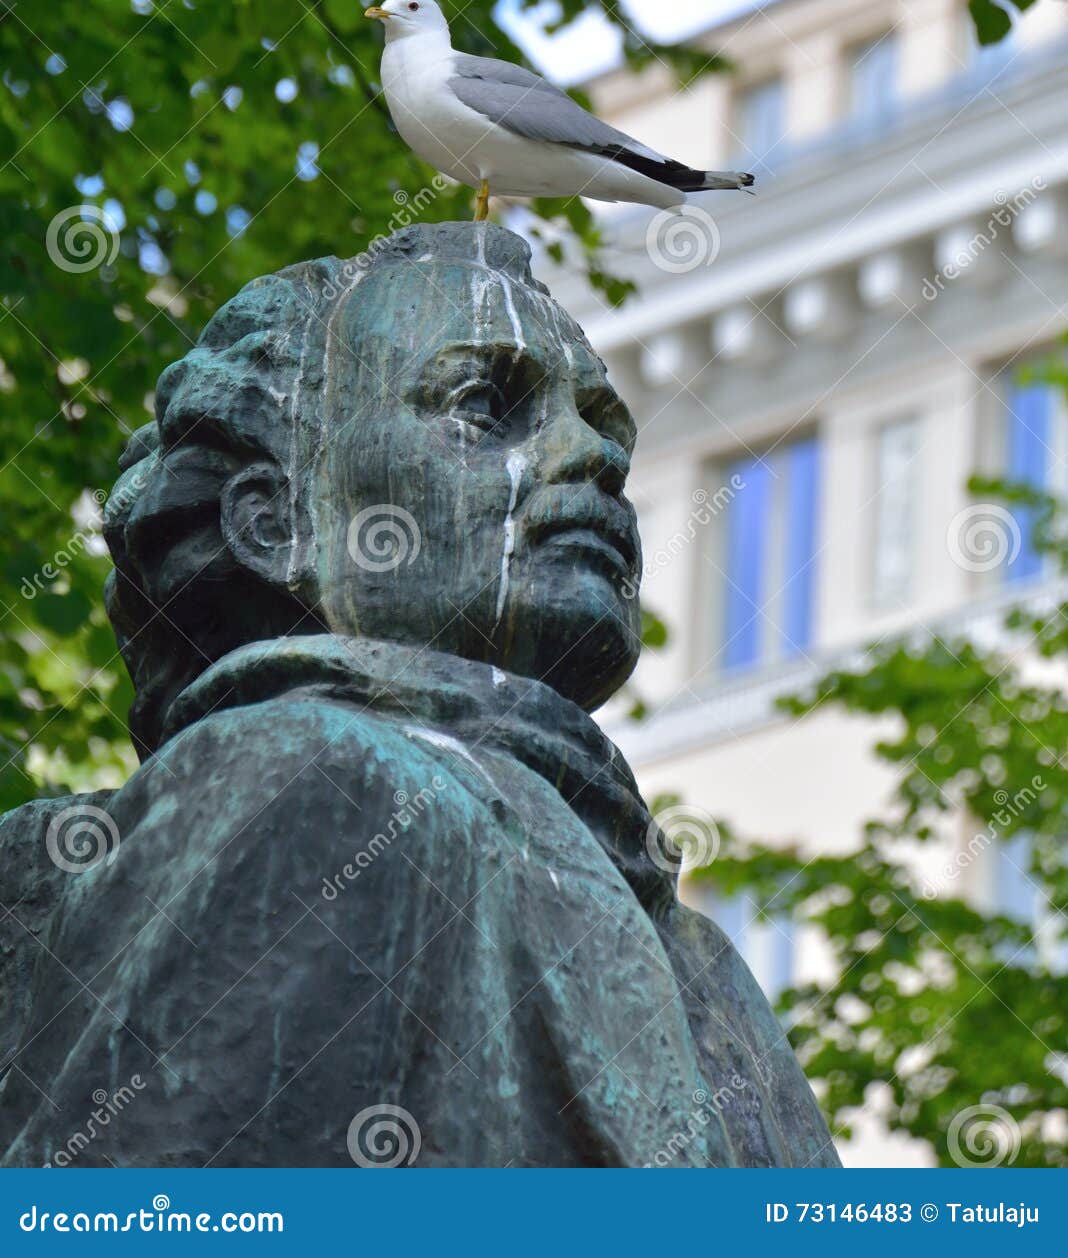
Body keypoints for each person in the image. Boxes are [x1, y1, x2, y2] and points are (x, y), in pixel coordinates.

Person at [0, 223, 838, 1168]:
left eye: (603, 428)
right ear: (275, 523)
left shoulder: (695, 953)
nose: (592, 457)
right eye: (487, 404)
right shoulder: (319, 783)